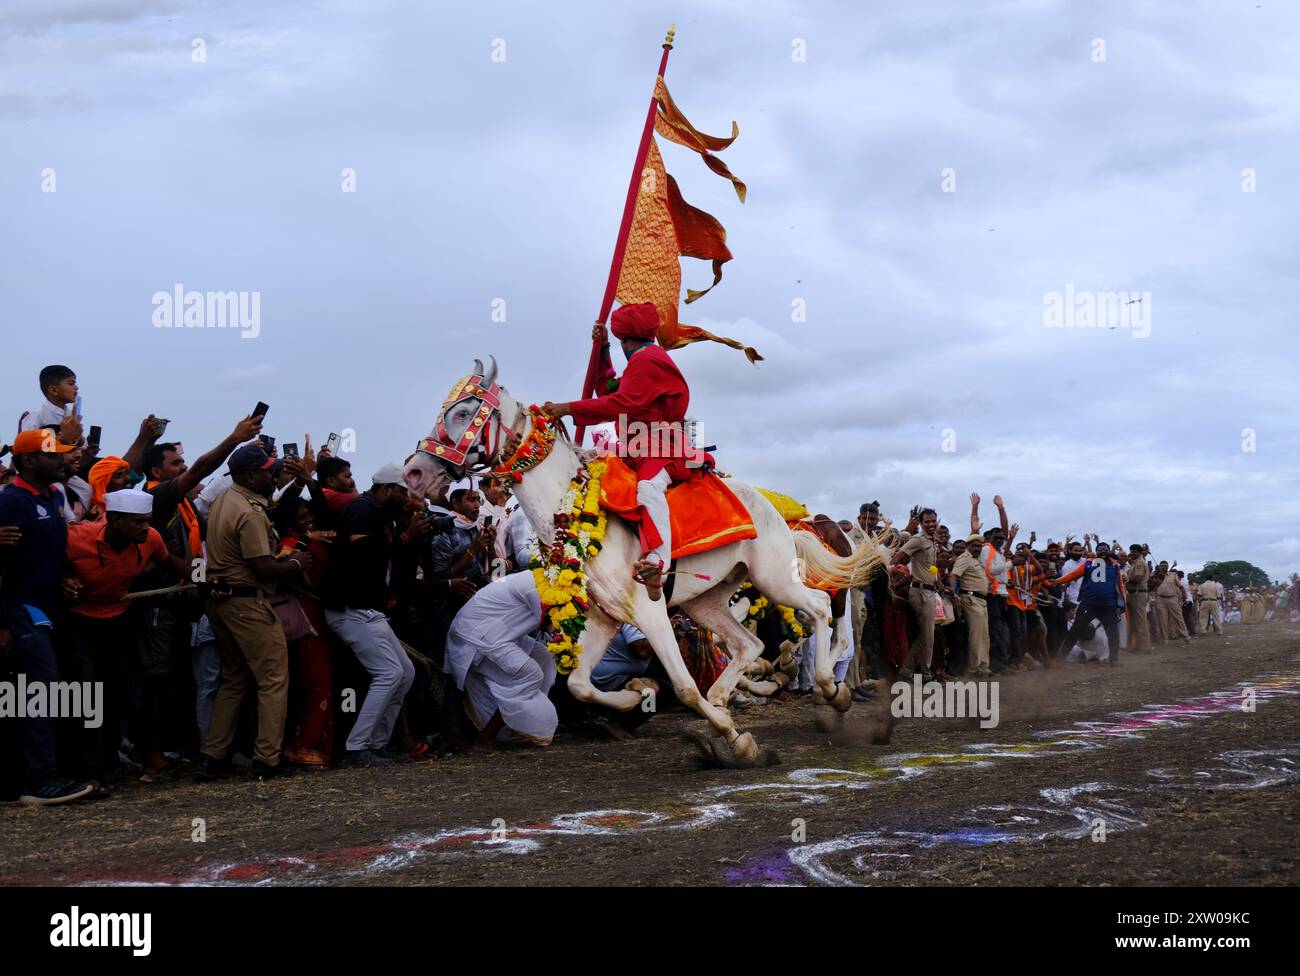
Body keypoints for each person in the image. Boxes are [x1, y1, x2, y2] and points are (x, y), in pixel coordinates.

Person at [541, 302, 704, 601]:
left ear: (628, 339)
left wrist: (568, 408)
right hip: (636, 450)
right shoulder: (641, 362)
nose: (621, 347)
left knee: (648, 488)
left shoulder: (648, 360)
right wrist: (603, 352)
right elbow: (611, 392)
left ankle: (658, 564)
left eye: (619, 343)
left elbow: (621, 404)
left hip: (663, 448)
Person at [195, 444, 312, 781]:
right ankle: (267, 759)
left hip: (222, 602)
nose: (274, 474)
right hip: (247, 602)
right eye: (267, 470)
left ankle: (214, 755)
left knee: (234, 678)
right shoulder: (248, 510)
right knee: (273, 679)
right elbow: (261, 566)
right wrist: (294, 562)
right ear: (248, 475)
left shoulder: (226, 500)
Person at [61, 489, 185, 789]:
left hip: (118, 621)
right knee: (84, 695)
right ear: (114, 520)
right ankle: (84, 771)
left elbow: (173, 564)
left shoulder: (150, 538)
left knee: (119, 695)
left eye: (147, 521)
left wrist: (210, 576)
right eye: (137, 522)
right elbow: (44, 564)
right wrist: (63, 580)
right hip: (78, 623)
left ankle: (108, 764)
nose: (145, 528)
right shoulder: (75, 537)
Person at [0, 430, 94, 804]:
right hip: (21, 607)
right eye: (52, 456)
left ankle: (51, 772)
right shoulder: (11, 501)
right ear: (27, 462)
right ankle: (38, 780)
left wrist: (67, 576)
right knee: (39, 689)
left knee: (59, 689)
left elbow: (54, 549)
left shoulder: (55, 495)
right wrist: (2, 623)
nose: (61, 461)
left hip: (51, 605)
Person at [322, 464, 418, 766]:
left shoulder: (377, 513)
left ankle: (375, 744)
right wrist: (405, 538)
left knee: (405, 673)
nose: (405, 497)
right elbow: (362, 557)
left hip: (367, 609)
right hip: (352, 609)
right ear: (386, 489)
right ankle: (358, 747)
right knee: (389, 673)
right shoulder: (363, 511)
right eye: (401, 491)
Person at [444, 571, 559, 748]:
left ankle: (523, 724)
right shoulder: (535, 583)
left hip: (500, 632)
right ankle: (486, 737)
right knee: (530, 673)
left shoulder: (551, 582)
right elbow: (551, 624)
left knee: (545, 659)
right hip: (476, 636)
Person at [1054, 542, 1127, 667]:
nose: (1103, 552)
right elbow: (1073, 575)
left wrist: (1122, 604)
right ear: (1096, 551)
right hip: (1088, 604)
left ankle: (1113, 660)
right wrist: (1056, 581)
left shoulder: (1115, 566)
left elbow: (1119, 585)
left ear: (1109, 551)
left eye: (1105, 549)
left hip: (1108, 606)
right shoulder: (1089, 563)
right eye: (1100, 550)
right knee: (1076, 630)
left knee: (1113, 633)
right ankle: (1060, 659)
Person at [892, 506, 939, 680]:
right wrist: (891, 571)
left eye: (933, 520)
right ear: (921, 523)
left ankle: (907, 671)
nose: (931, 524)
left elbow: (931, 566)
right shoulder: (918, 539)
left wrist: (939, 582)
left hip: (930, 591)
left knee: (926, 635)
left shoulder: (932, 540)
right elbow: (898, 556)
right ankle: (925, 674)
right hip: (920, 592)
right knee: (928, 636)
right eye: (927, 521)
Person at [950, 532, 991, 677]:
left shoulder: (975, 560)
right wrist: (954, 593)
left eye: (979, 546)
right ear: (968, 546)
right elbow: (954, 575)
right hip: (971, 599)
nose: (977, 548)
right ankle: (974, 668)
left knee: (983, 635)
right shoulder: (965, 558)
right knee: (976, 635)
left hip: (980, 600)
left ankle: (983, 666)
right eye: (974, 546)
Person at [1125, 544, 1151, 651]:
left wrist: (1126, 580)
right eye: (1131, 550)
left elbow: (1138, 578)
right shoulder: (1135, 562)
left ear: (1140, 552)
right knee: (1134, 622)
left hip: (1138, 593)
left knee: (1140, 620)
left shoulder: (1139, 562)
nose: (1132, 552)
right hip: (1135, 594)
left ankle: (1145, 646)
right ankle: (1137, 645)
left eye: (1135, 551)